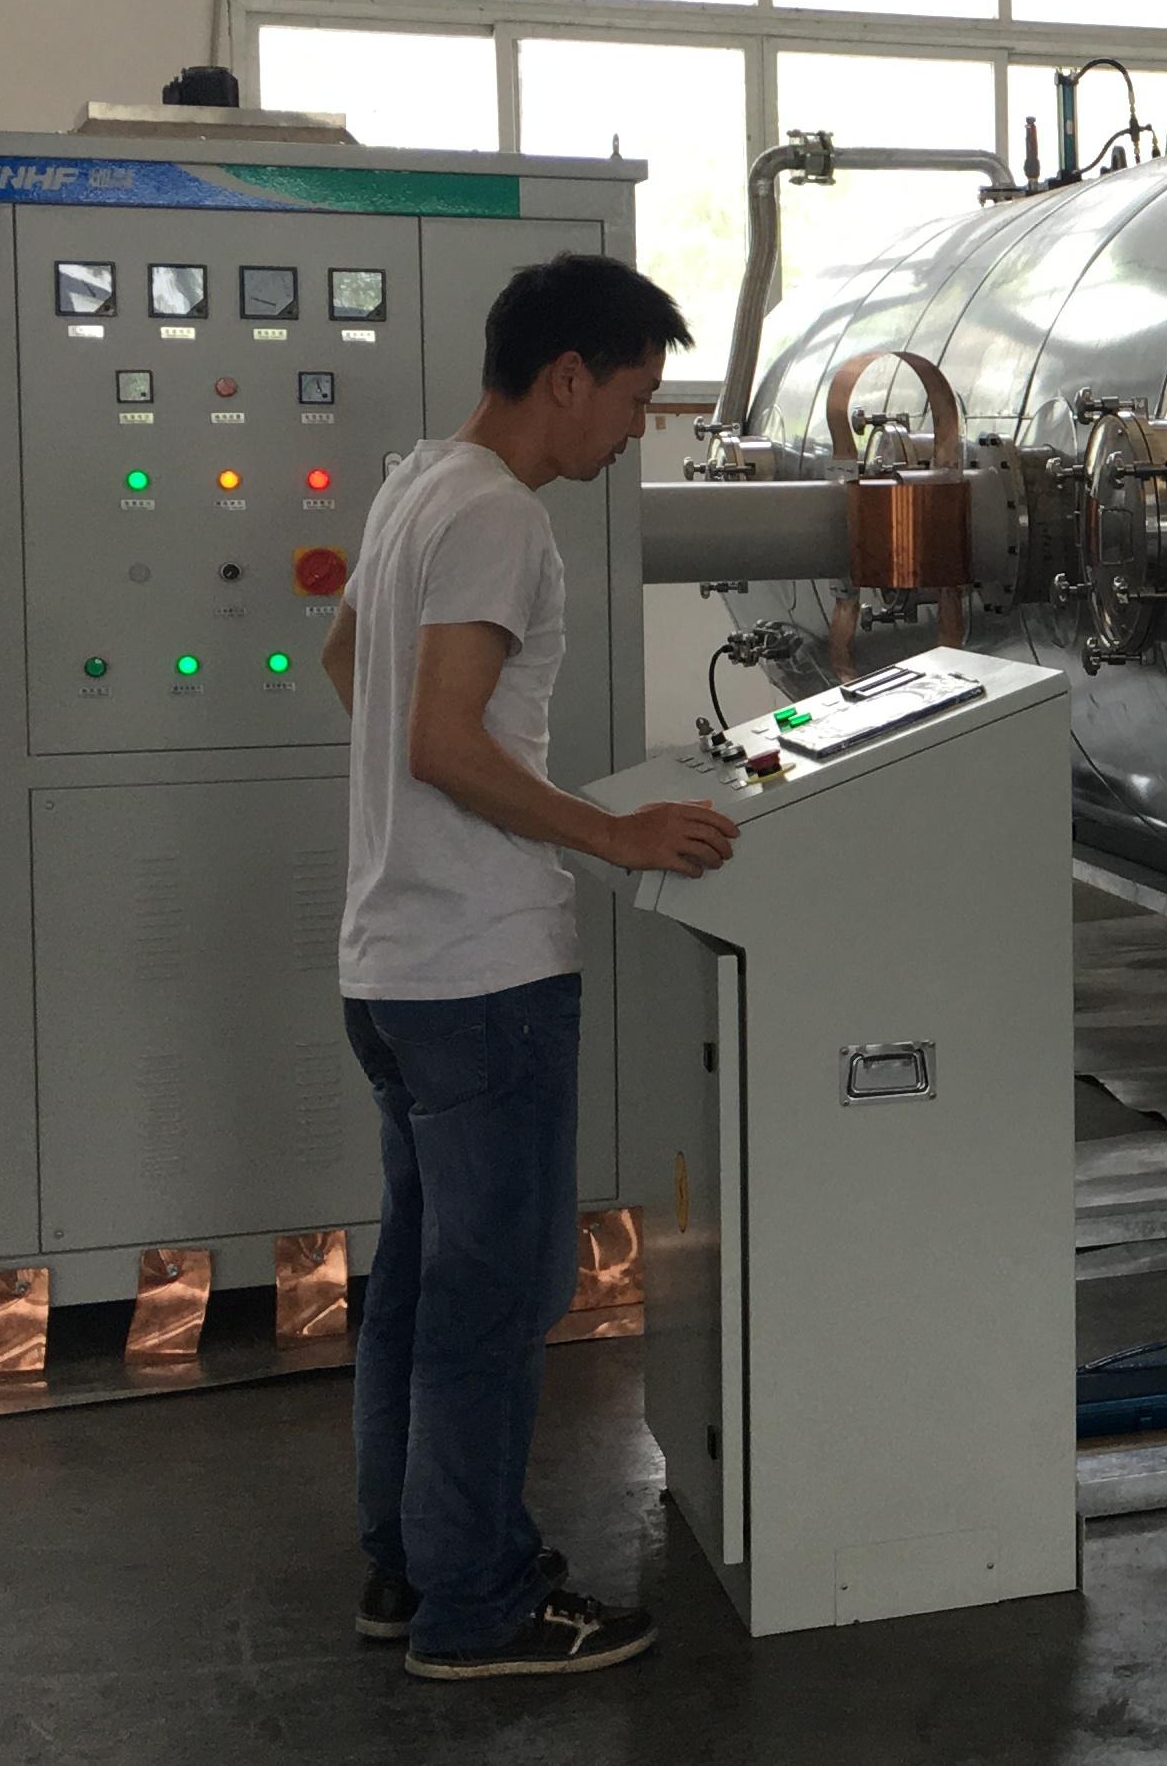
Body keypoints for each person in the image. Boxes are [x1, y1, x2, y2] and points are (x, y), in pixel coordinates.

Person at [320, 254, 738, 1680]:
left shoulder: (415, 485)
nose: (634, 431)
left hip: (391, 966)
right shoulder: (502, 516)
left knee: (420, 1290)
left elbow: (347, 663)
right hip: (481, 973)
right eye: (633, 398)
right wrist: (612, 835)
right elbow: (442, 740)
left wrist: (424, 797)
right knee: (492, 1306)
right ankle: (480, 1606)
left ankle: (411, 1565)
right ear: (568, 376)